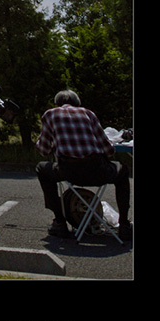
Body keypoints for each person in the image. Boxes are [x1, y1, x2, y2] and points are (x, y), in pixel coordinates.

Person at [35, 90, 132, 242]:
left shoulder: (50, 114)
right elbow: (108, 149)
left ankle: (59, 222)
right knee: (123, 171)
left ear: (56, 104)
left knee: (41, 168)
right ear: (78, 103)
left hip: (68, 171)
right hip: (97, 171)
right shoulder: (89, 114)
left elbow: (44, 150)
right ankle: (125, 225)